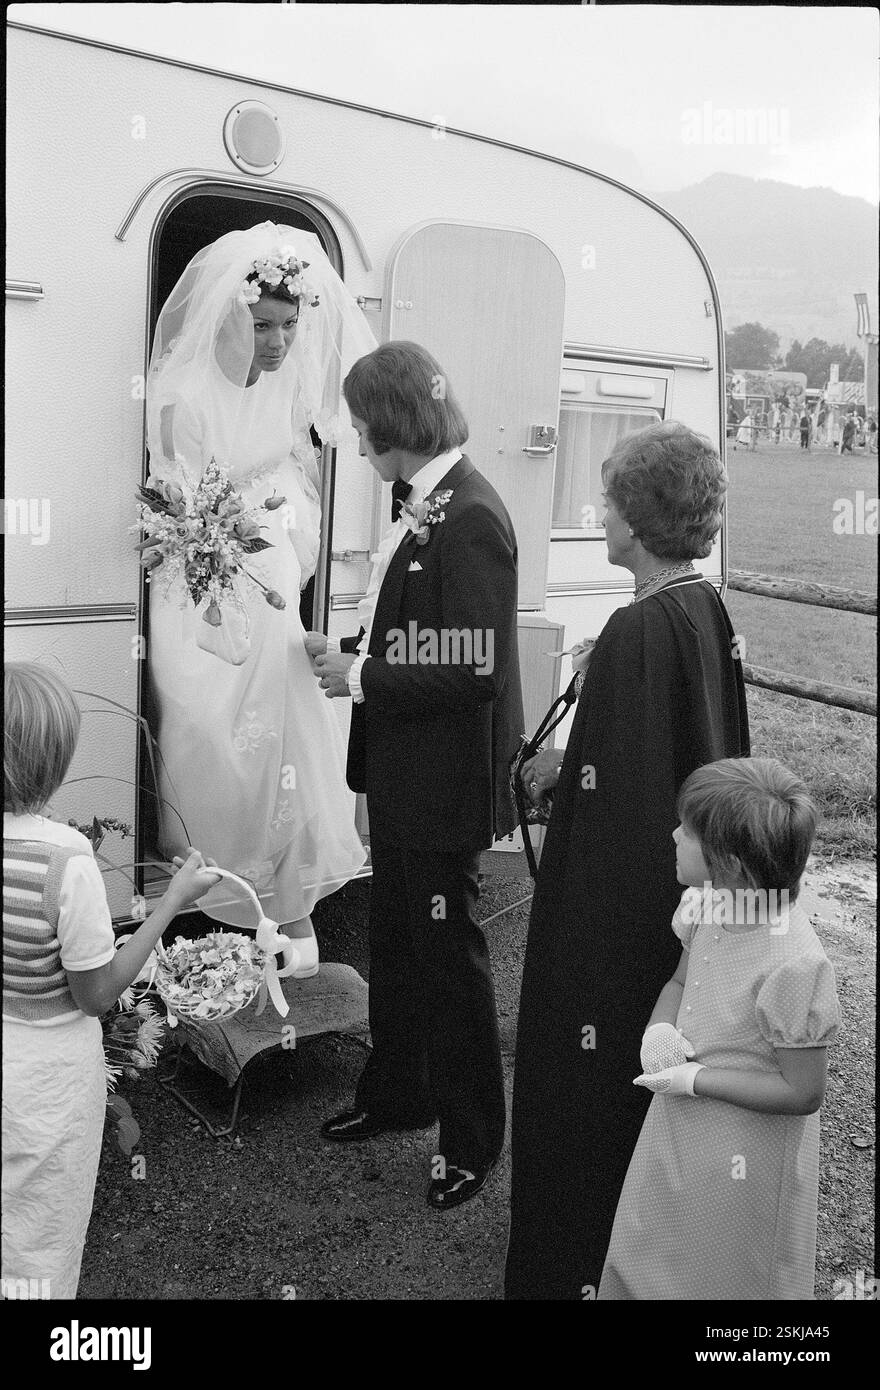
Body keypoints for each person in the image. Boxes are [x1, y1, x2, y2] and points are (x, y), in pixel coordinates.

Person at [505, 421, 749, 1299]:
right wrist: (576, 765)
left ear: (638, 521)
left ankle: (568, 1268)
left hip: (612, 921)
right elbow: (669, 762)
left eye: (608, 501)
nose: (597, 513)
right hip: (673, 900)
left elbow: (621, 808)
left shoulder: (635, 630)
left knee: (584, 1090)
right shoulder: (702, 605)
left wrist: (561, 785)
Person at [311, 342, 524, 1210]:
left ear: (394, 423)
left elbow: (475, 665)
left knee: (448, 960)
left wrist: (359, 676)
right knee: (396, 947)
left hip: (442, 787)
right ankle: (399, 1095)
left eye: (363, 426)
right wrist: (357, 651)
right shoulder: (423, 504)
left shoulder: (469, 514)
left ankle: (473, 1141)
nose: (357, 441)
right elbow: (422, 631)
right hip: (404, 776)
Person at [145, 223, 376, 968]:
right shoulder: (183, 397)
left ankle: (284, 892)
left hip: (272, 576)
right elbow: (179, 511)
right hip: (202, 583)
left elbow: (296, 470)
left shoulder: (284, 386)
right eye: (263, 325)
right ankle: (208, 872)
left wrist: (284, 528)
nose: (278, 343)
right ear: (228, 316)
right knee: (208, 723)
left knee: (287, 721)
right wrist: (227, 555)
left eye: (289, 326)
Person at [2, 661, 221, 1298]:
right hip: (48, 1082)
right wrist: (171, 902)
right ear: (55, 758)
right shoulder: (65, 859)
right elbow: (96, 994)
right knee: (40, 1233)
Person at [598, 756, 840, 1300]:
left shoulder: (794, 964)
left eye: (688, 830)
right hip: (682, 1122)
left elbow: (803, 1091)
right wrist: (660, 1029)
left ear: (728, 861)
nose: (674, 834)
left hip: (746, 1146)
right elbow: (682, 981)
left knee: (727, 1271)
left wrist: (694, 1079)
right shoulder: (710, 903)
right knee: (656, 1242)